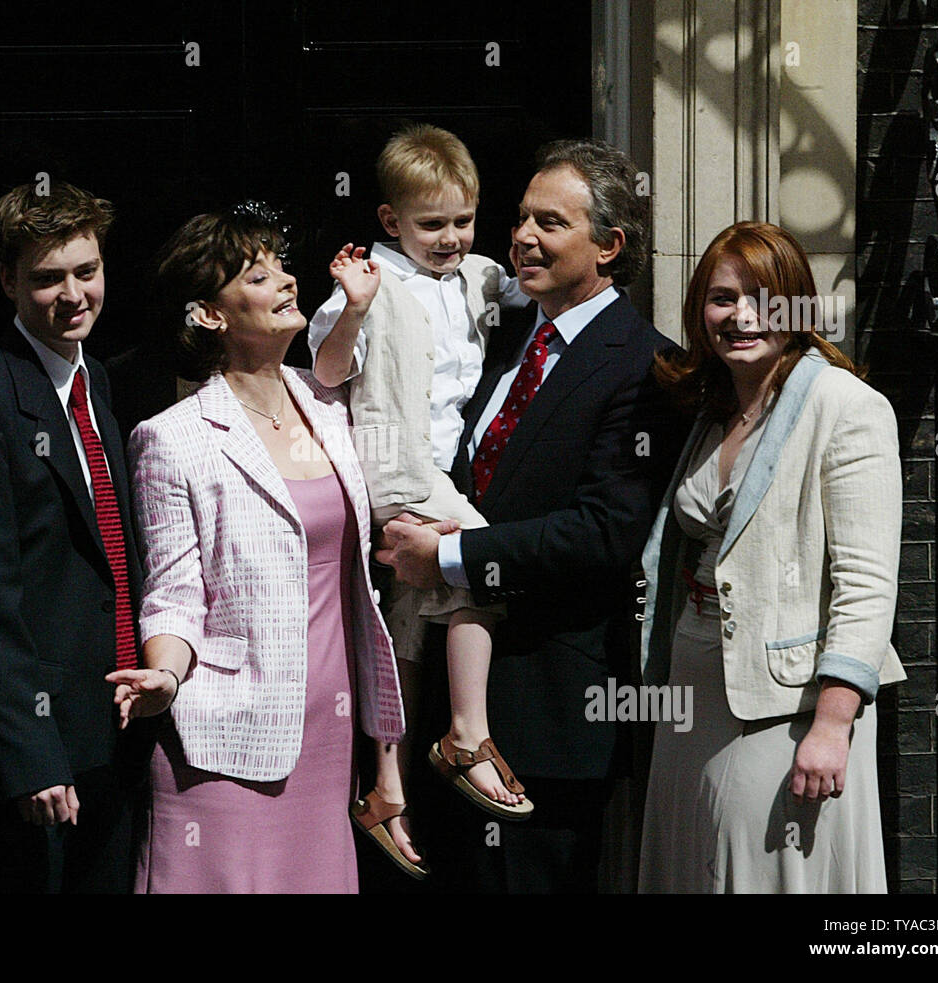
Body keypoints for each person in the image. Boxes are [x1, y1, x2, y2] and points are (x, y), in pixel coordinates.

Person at [378, 139, 685, 892]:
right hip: (449, 729)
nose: (521, 236)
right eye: (519, 217)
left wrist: (447, 558)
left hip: (548, 722)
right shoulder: (506, 336)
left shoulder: (645, 366)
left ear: (610, 245)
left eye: (550, 222)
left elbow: (605, 532)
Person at [116, 203, 414, 892]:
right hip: (226, 744)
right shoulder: (173, 437)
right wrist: (163, 674)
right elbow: (174, 590)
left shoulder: (330, 409)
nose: (285, 281)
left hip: (330, 737)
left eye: (280, 266)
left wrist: (385, 757)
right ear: (211, 314)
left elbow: (356, 597)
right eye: (257, 275)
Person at [637, 221, 906, 893]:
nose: (742, 316)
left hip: (788, 707)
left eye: (763, 297)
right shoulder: (713, 406)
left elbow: (868, 585)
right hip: (691, 694)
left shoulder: (847, 407)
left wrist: (833, 723)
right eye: (723, 298)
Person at [309, 123, 531, 823]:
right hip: (392, 464)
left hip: (442, 467)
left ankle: (387, 785)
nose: (450, 237)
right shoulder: (372, 281)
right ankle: (467, 733)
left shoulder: (480, 273)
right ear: (389, 220)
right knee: (480, 557)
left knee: (408, 618)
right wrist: (355, 305)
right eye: (431, 223)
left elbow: (539, 289)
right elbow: (326, 369)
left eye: (463, 220)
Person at [0, 180, 150, 892]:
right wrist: (30, 756)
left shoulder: (99, 386)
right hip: (43, 753)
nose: (73, 294)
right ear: (6, 281)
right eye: (48, 277)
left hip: (114, 729)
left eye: (86, 271)